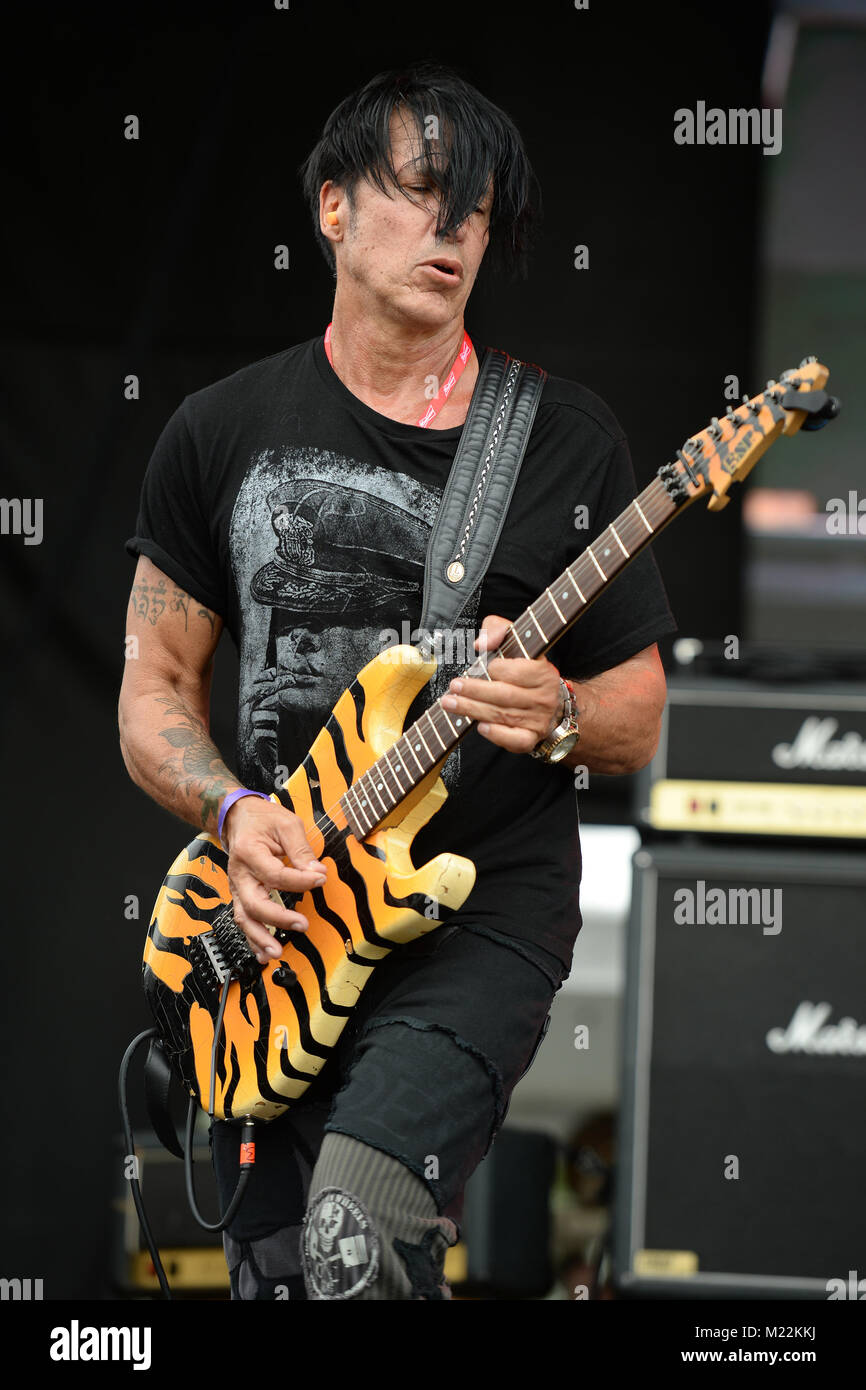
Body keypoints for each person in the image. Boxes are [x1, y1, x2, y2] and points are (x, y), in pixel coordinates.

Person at [119, 61, 675, 1301]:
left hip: (473, 921)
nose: (453, 230)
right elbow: (153, 685)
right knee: (271, 1273)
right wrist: (230, 814)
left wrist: (562, 716)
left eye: (477, 212)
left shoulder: (561, 440)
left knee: (353, 1232)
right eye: (426, 193)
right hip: (281, 925)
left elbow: (636, 715)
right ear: (331, 208)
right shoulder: (217, 429)